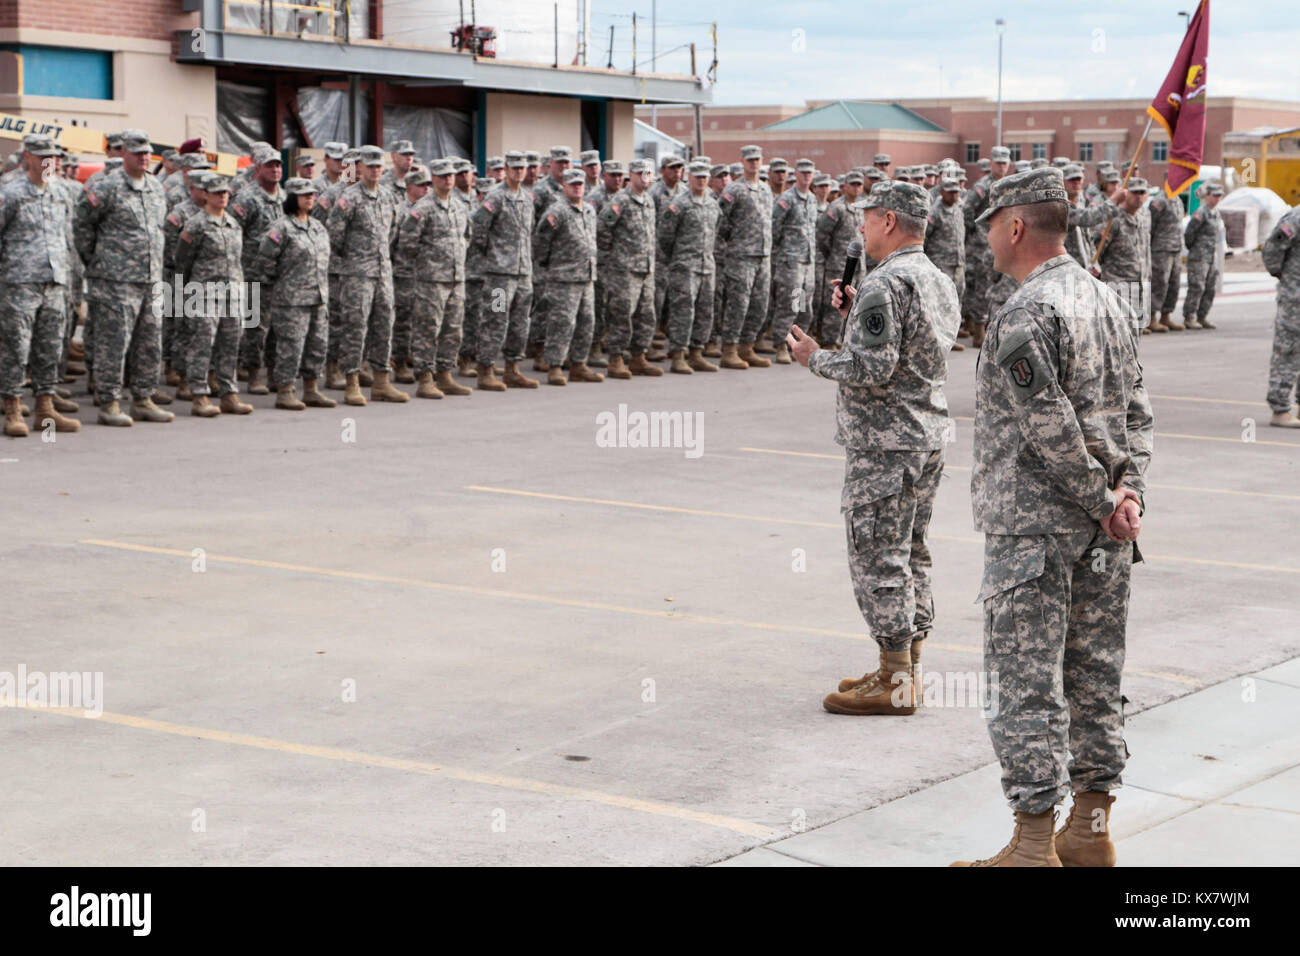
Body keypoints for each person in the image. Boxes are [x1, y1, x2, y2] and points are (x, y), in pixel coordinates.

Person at [953, 167, 1153, 867]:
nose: (986, 240)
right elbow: (1138, 413)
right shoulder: (1107, 299)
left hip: (1034, 532)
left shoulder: (1025, 312)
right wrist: (1128, 496)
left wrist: (1103, 500)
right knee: (1095, 678)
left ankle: (1034, 847)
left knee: (1025, 684)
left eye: (990, 227)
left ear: (1015, 227)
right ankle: (1090, 833)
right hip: (1108, 534)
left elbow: (1048, 426)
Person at [786, 179, 960, 716]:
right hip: (925, 436)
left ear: (888, 221)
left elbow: (872, 367)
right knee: (911, 552)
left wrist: (814, 356)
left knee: (878, 555)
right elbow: (911, 350)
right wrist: (854, 318)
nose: (861, 228)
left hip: (887, 445)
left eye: (867, 218)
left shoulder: (885, 283)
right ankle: (906, 669)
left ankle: (894, 681)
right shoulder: (936, 279)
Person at [73, 129, 173, 427]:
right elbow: (82, 226)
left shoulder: (155, 187)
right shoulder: (106, 187)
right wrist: (98, 261)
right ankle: (109, 402)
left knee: (150, 341)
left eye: (147, 153)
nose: (144, 158)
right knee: (113, 343)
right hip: (114, 280)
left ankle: (143, 398)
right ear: (124, 153)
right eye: (138, 153)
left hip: (151, 278)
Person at [0, 136, 79, 437]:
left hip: (54, 282)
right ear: (28, 158)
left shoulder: (61, 192)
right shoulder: (11, 193)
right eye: (43, 156)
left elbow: (68, 237)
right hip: (19, 283)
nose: (50, 162)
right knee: (16, 347)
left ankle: (45, 409)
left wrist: (68, 280)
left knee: (50, 348)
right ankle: (12, 408)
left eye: (53, 157)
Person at [327, 144, 407, 405]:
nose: (374, 170)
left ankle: (382, 382)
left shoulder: (388, 197)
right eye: (370, 166)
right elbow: (334, 236)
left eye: (378, 166)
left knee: (384, 326)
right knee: (355, 327)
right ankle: (352, 381)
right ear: (360, 167)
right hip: (356, 274)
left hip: (383, 273)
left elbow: (393, 232)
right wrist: (355, 260)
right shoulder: (348, 198)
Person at [174, 174, 253, 417]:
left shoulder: (233, 224)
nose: (223, 197)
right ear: (205, 195)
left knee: (231, 344)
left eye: (225, 192)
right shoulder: (196, 225)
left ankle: (229, 393)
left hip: (232, 293)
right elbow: (182, 260)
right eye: (217, 193)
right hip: (204, 292)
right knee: (202, 344)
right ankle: (199, 395)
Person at [256, 176, 335, 410]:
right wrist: (282, 283)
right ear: (293, 198)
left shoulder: (317, 227)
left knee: (317, 345)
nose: (310, 198)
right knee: (291, 347)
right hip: (291, 300)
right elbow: (264, 260)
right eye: (304, 195)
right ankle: (285, 391)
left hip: (318, 297)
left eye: (312, 194)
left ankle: (311, 389)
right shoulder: (281, 228)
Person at [398, 158, 474, 399]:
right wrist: (429, 262)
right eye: (442, 176)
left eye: (451, 175)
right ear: (433, 179)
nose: (448, 180)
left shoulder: (460, 206)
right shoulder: (422, 208)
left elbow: (467, 237)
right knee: (427, 329)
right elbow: (407, 243)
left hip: (456, 278)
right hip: (430, 280)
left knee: (453, 329)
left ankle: (445, 374)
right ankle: (425, 378)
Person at [470, 150, 538, 390]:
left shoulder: (527, 198)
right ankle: (486, 369)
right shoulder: (496, 198)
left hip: (523, 274)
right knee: (495, 320)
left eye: (522, 168)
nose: (519, 172)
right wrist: (492, 255)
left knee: (521, 322)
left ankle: (512, 369)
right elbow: (477, 227)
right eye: (514, 168)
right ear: (507, 169)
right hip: (500, 276)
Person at [533, 168, 602, 385]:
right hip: (563, 278)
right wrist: (552, 266)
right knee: (561, 323)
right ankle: (554, 366)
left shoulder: (589, 210)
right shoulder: (557, 212)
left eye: (580, 184)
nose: (577, 188)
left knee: (586, 323)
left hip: (586, 276)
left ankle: (579, 364)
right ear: (564, 186)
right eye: (572, 184)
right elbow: (541, 243)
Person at [597, 158, 661, 380]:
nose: (645, 178)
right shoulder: (620, 201)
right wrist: (615, 254)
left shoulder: (649, 201)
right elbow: (602, 228)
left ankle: (638, 357)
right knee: (622, 314)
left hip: (646, 269)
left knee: (646, 315)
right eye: (640, 173)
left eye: (648, 174)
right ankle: (616, 358)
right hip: (624, 270)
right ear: (631, 175)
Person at [231, 143, 286, 393]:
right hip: (254, 273)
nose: (275, 170)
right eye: (269, 166)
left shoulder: (285, 198)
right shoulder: (247, 198)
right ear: (258, 169)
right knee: (255, 326)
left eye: (278, 165)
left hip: (281, 274)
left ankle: (274, 373)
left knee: (278, 327)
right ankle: (253, 375)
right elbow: (233, 233)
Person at [657, 160, 721, 373]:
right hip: (684, 266)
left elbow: (716, 230)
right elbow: (665, 236)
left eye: (704, 177)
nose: (701, 180)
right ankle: (678, 354)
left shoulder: (713, 204)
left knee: (705, 311)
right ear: (689, 177)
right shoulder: (679, 204)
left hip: (707, 266)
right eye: (697, 176)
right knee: (683, 311)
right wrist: (678, 258)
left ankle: (696, 353)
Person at [716, 144, 775, 370]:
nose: (754, 163)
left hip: (763, 256)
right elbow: (720, 223)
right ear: (742, 161)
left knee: (759, 305)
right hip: (741, 256)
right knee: (738, 305)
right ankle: (729, 349)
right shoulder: (734, 190)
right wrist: (733, 245)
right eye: (749, 160)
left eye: (757, 159)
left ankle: (747, 346)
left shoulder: (766, 189)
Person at [768, 158, 819, 364]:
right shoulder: (786, 199)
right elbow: (774, 228)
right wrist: (784, 251)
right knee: (789, 305)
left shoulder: (813, 199)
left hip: (808, 262)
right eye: (802, 172)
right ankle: (782, 344)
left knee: (805, 307)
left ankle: (799, 345)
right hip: (791, 262)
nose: (806, 176)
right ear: (796, 174)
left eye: (809, 173)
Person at [963, 145, 1011, 347]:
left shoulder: (1009, 184)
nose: (1001, 167)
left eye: (1004, 163)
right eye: (998, 163)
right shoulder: (983, 185)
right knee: (982, 286)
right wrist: (977, 231)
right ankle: (979, 330)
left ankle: (993, 324)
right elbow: (967, 209)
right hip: (982, 245)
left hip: (1003, 243)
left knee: (999, 286)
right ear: (991, 163)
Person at [390, 165, 432, 384]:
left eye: (427, 185)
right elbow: (391, 243)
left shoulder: (433, 208)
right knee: (403, 320)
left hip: (430, 275)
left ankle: (422, 359)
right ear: (409, 187)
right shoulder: (399, 211)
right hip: (404, 274)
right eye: (421, 185)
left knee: (425, 320)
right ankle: (400, 362)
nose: (426, 189)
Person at [815, 169, 864, 347]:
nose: (856, 188)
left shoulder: (862, 207)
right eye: (853, 184)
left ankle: (845, 341)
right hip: (839, 264)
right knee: (837, 304)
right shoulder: (836, 207)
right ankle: (829, 341)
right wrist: (833, 254)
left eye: (859, 184)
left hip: (859, 265)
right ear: (844, 186)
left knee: (855, 303)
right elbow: (822, 235)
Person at [1262, 204, 1300, 428]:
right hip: (1295, 299)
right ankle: (1280, 409)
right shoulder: (1296, 218)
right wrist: (1284, 276)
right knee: (1287, 351)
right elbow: (1272, 249)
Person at [924, 175, 967, 352]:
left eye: (956, 192)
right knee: (940, 301)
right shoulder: (934, 212)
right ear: (942, 192)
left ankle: (951, 336)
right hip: (940, 264)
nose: (954, 195)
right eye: (950, 192)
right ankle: (937, 338)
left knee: (956, 301)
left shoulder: (959, 209)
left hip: (958, 263)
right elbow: (925, 238)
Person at [1180, 183, 1223, 330]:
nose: (1217, 199)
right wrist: (1195, 249)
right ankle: (1190, 317)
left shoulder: (1216, 213)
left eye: (1219, 196)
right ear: (1207, 196)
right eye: (1214, 195)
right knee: (1197, 286)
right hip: (1199, 256)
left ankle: (1202, 316)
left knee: (1210, 287)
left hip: (1211, 256)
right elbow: (1189, 234)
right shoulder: (1200, 213)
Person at [1146, 185, 1184, 333]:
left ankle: (1165, 316)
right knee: (1159, 283)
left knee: (1174, 284)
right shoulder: (1159, 201)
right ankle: (1151, 318)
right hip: (1161, 249)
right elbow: (1150, 226)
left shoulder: (1178, 200)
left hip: (1176, 249)